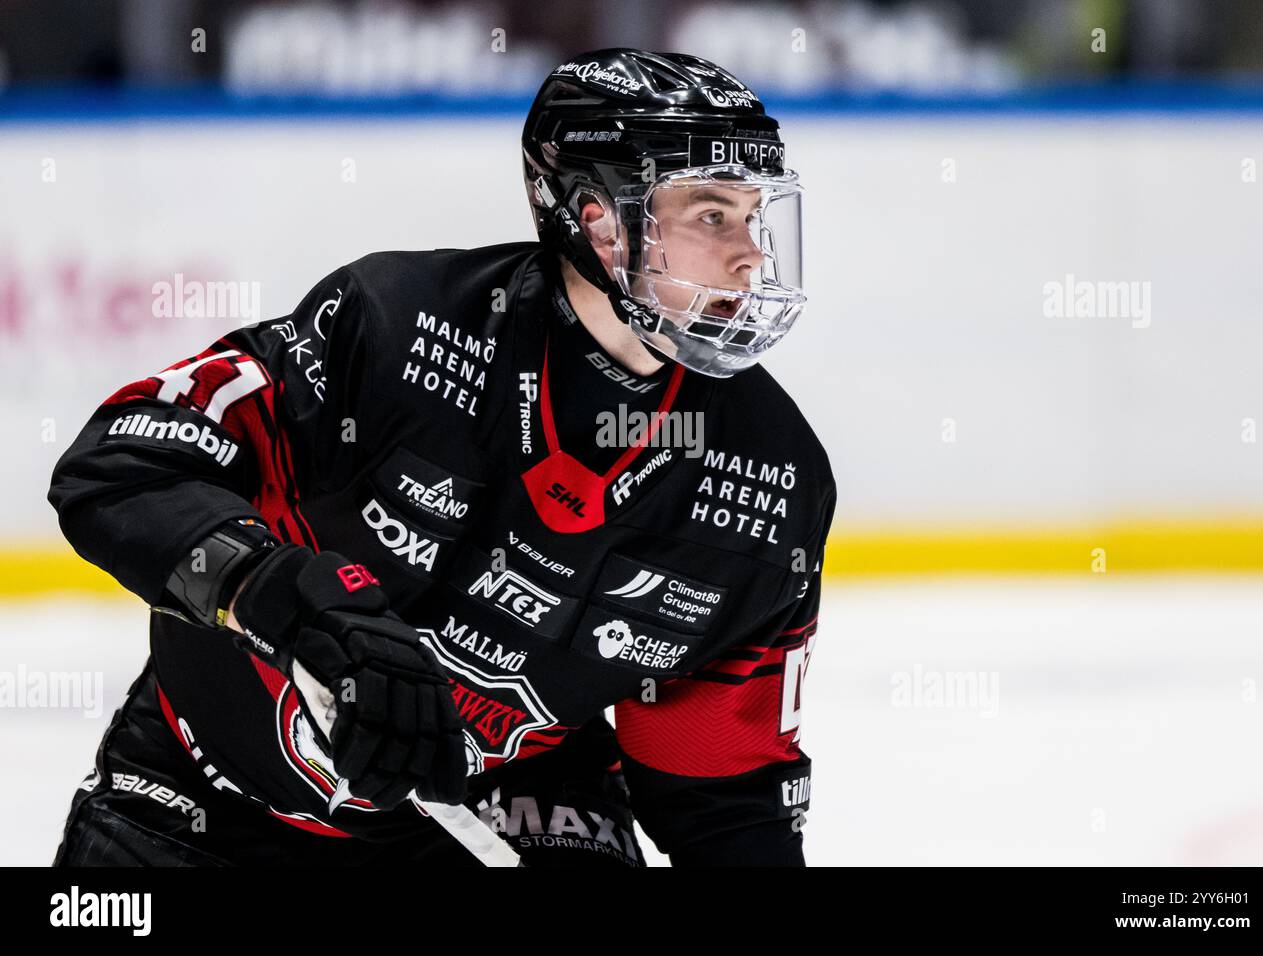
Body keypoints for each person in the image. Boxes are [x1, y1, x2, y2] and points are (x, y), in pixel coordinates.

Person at [47, 48, 836, 867]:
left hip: (497, 814)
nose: (751, 254)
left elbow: (724, 794)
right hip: (197, 795)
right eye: (712, 215)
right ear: (600, 219)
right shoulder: (399, 327)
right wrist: (289, 602)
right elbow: (123, 463)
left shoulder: (774, 478)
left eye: (755, 215)